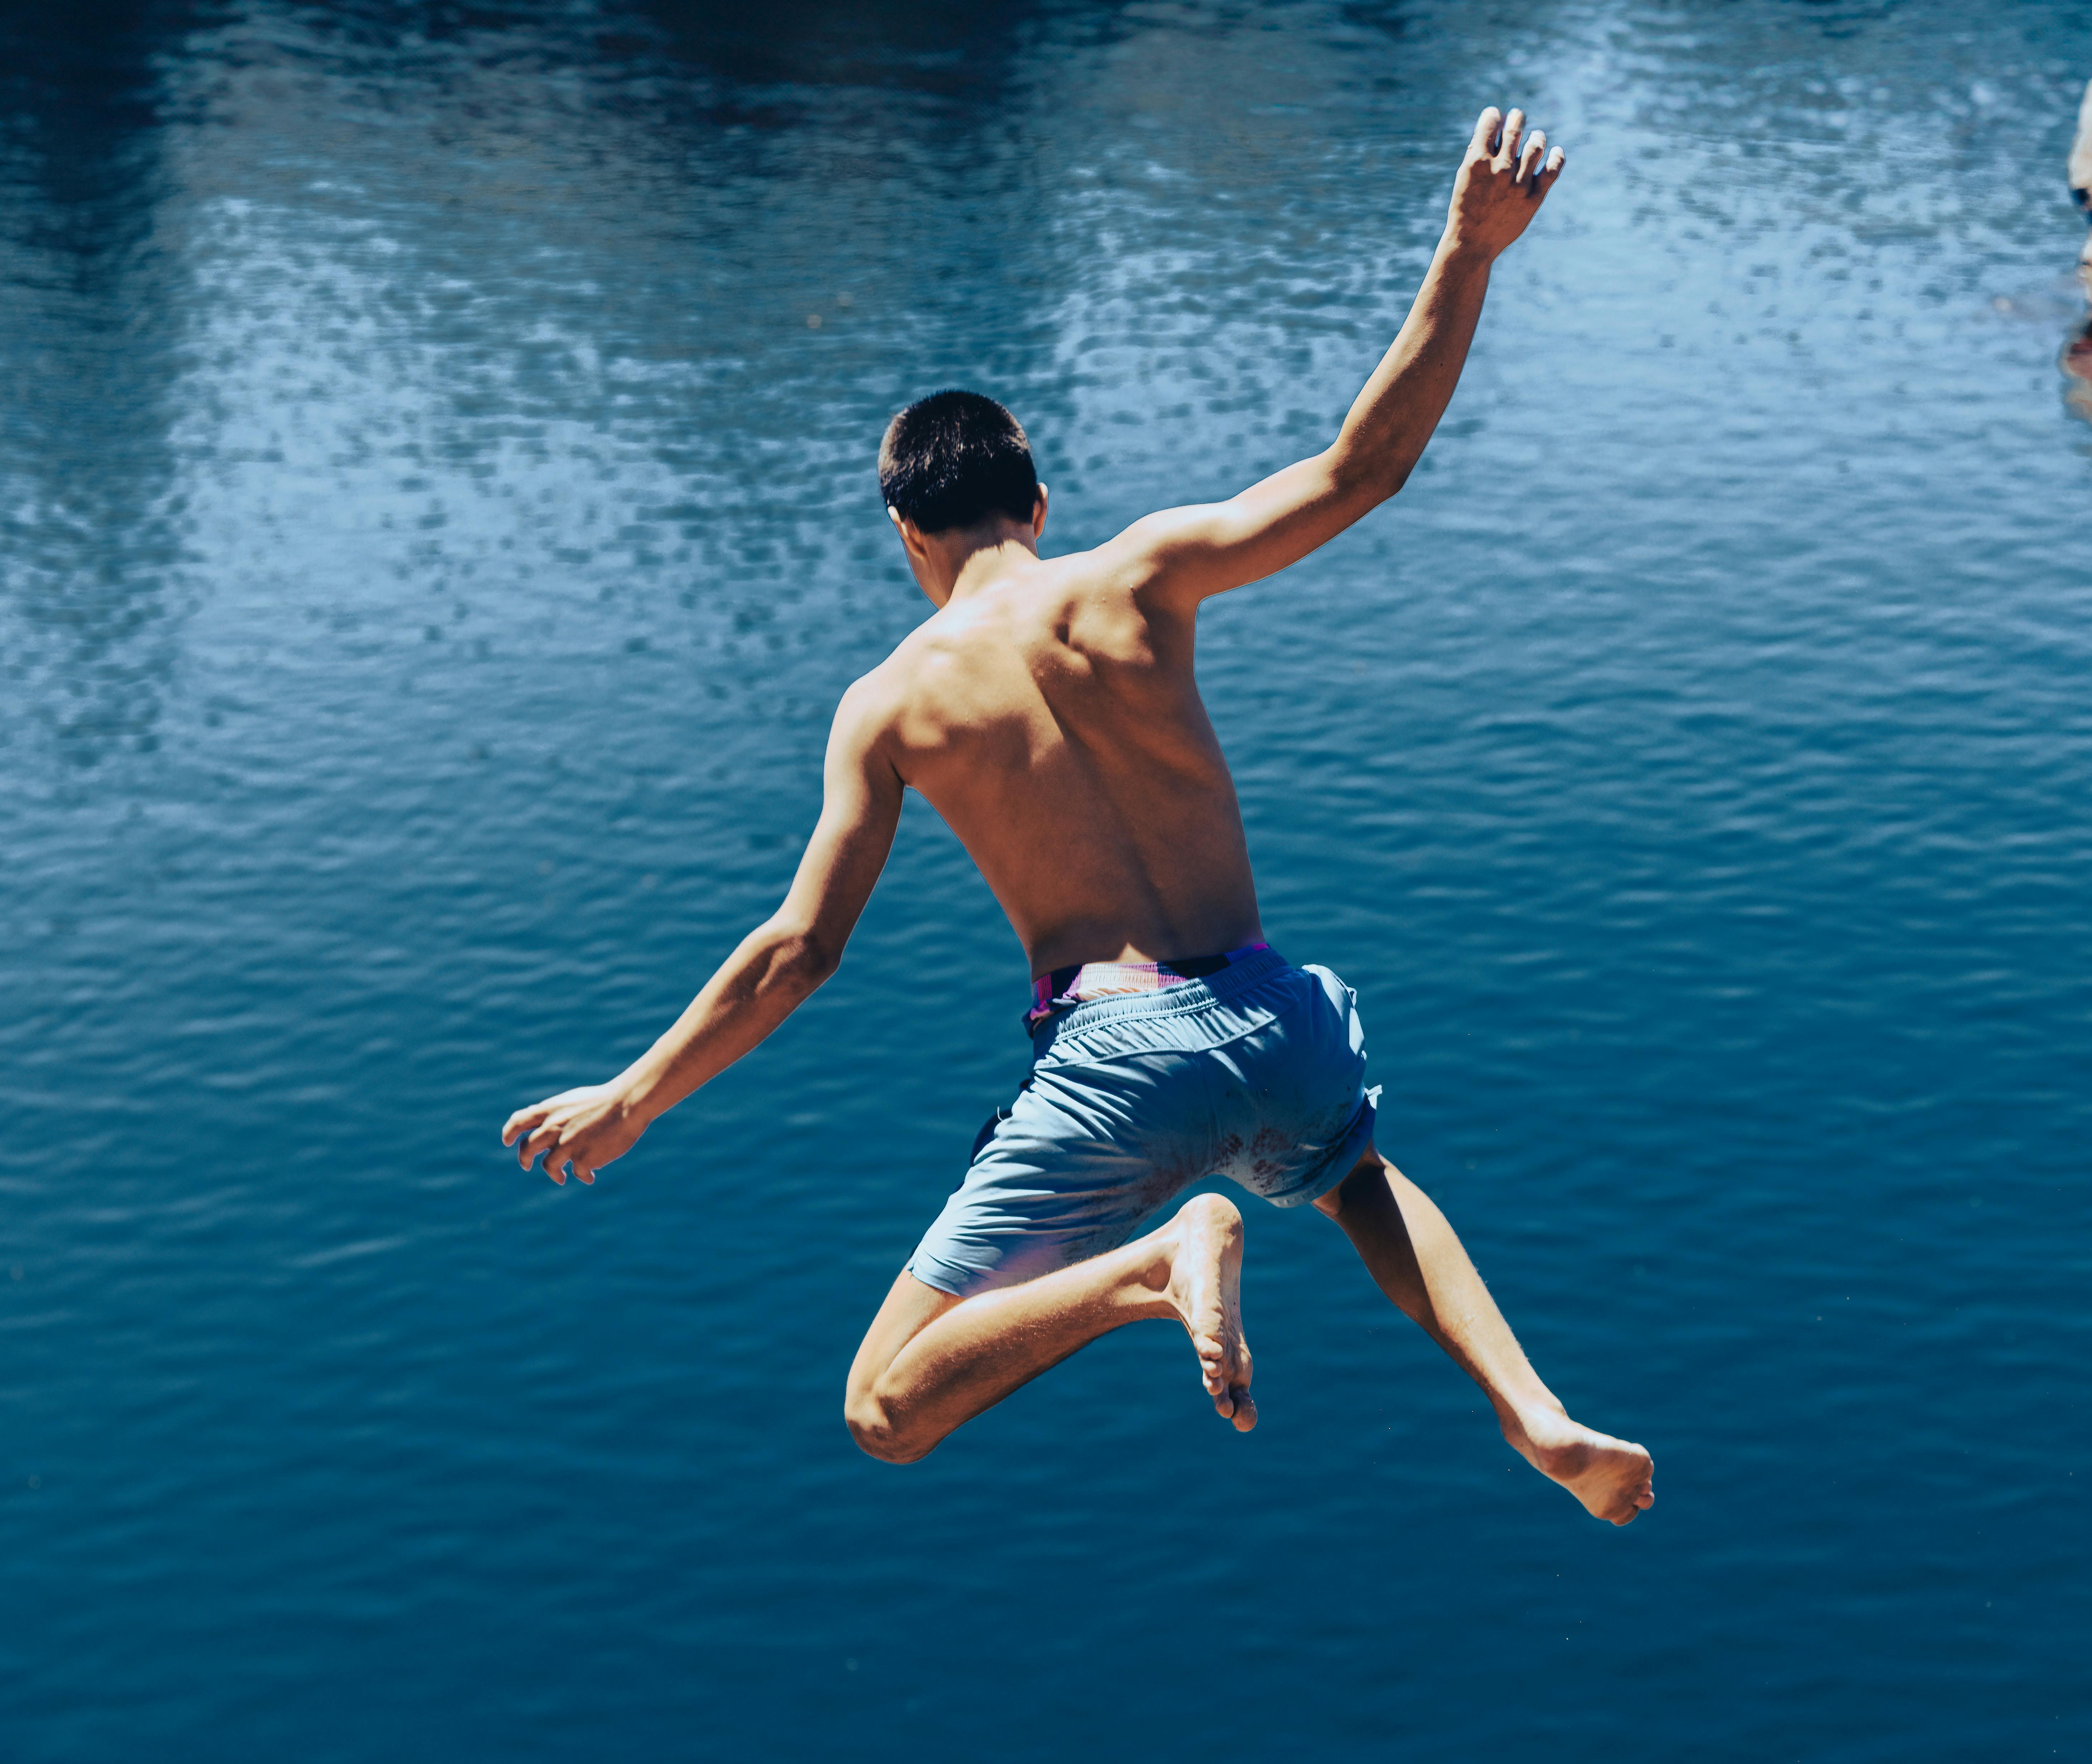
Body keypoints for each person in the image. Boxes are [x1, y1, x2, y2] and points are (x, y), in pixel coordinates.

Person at [501, 107, 1652, 1525]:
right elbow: (1363, 468)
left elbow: (799, 952)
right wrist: (1468, 250)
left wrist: (632, 1097)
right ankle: (1533, 1409)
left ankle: (1150, 1269)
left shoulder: (888, 703)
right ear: (1036, 504)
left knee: (884, 1406)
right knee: (1351, 1175)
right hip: (1273, 1019)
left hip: (1119, 1054)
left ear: (908, 535)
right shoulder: (1139, 575)